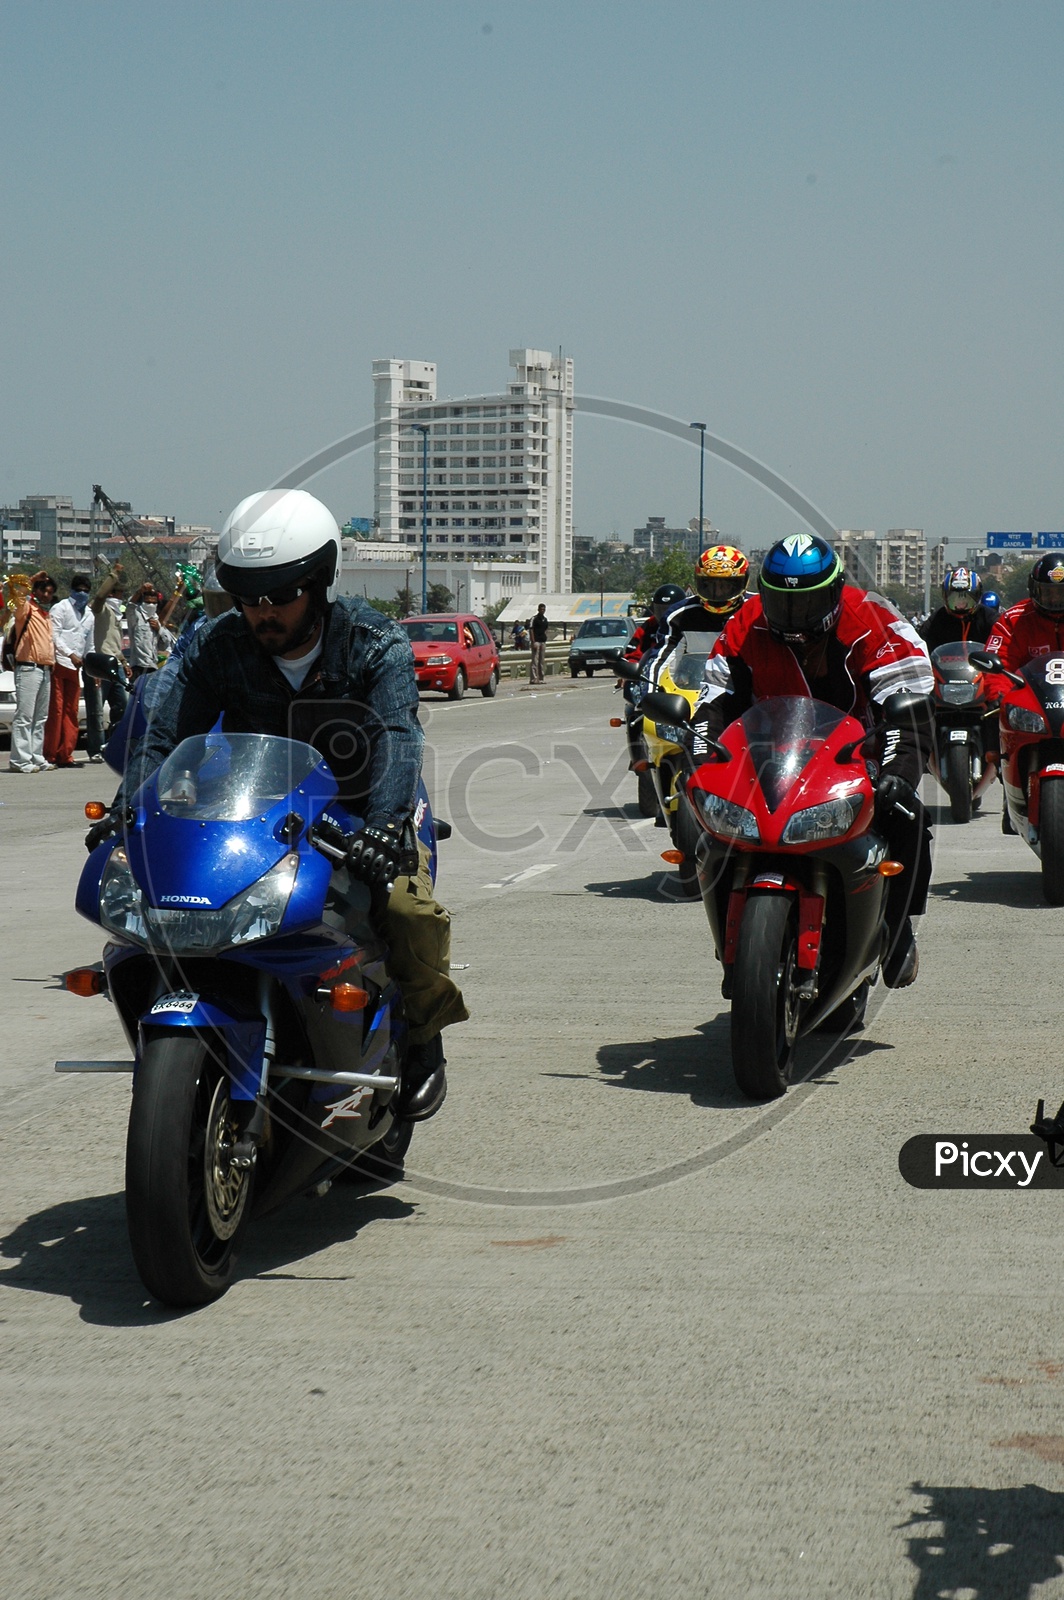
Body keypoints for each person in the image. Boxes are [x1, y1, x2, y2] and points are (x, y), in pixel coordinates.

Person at [90, 489, 467, 1120]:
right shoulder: (214, 644)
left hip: (359, 806)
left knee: (404, 908)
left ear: (320, 583)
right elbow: (164, 734)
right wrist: (133, 806)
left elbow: (399, 736)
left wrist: (384, 826)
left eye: (279, 596)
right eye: (247, 597)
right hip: (249, 810)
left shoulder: (375, 644)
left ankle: (423, 1037)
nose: (261, 612)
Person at [694, 534, 934, 988]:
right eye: (781, 602)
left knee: (909, 817)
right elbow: (716, 699)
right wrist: (702, 752)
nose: (792, 615)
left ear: (834, 591)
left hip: (856, 753)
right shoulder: (745, 623)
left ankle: (899, 928)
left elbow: (909, 701)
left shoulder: (873, 621)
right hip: (769, 754)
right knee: (713, 831)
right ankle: (736, 950)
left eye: (804, 603)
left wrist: (899, 770)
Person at [985, 552, 1064, 835]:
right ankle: (1009, 789)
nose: (1055, 600)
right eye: (1048, 593)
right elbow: (997, 662)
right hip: (1033, 703)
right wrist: (998, 694)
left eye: (1061, 593)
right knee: (991, 715)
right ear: (1034, 590)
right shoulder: (1014, 619)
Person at [919, 567, 1000, 807]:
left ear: (977, 597)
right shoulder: (937, 620)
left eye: (965, 597)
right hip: (946, 684)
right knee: (919, 712)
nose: (961, 603)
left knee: (1003, 712)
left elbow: (1003, 643)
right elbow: (920, 644)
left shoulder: (989, 619)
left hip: (981, 682)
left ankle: (1004, 768)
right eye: (956, 597)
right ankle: (919, 756)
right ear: (946, 598)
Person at [647, 545, 750, 689]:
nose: (718, 593)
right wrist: (651, 696)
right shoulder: (679, 615)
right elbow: (662, 662)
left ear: (743, 583)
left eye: (725, 586)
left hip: (751, 698)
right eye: (709, 585)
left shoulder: (758, 610)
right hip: (697, 695)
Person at [8, 571, 57, 774]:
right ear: (35, 591)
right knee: (24, 716)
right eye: (43, 590)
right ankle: (20, 759)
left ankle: (36, 756)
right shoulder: (26, 609)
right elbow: (14, 594)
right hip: (28, 667)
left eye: (50, 592)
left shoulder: (46, 614)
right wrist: (30, 581)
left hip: (45, 669)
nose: (47, 595)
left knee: (40, 717)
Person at [44, 574, 94, 768]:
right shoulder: (61, 608)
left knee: (71, 711)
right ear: (72, 590)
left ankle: (66, 753)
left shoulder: (90, 614)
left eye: (86, 591)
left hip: (76, 667)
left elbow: (90, 644)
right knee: (55, 711)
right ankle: (50, 754)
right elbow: (54, 636)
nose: (82, 594)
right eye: (79, 590)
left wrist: (93, 669)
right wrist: (70, 653)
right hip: (59, 663)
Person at [86, 563, 131, 762]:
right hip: (99, 664)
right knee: (96, 711)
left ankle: (116, 745)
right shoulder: (100, 610)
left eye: (120, 594)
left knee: (121, 707)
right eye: (116, 593)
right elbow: (100, 597)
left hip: (115, 665)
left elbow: (114, 643)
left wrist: (124, 662)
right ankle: (96, 749)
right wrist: (114, 575)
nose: (118, 598)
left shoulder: (115, 616)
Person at [623, 583, 687, 664]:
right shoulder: (649, 626)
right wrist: (630, 668)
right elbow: (633, 655)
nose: (664, 614)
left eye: (669, 610)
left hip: (685, 671)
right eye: (660, 609)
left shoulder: (691, 625)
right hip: (651, 671)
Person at [127, 582, 160, 679]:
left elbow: (166, 642)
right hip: (139, 667)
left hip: (153, 666)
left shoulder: (157, 619)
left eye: (154, 603)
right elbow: (130, 606)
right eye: (148, 602)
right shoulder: (136, 616)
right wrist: (140, 591)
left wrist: (159, 629)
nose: (151, 605)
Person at [528, 603, 549, 683]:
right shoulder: (534, 619)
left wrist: (545, 637)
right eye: (541, 609)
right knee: (535, 661)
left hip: (542, 641)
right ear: (538, 609)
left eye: (543, 609)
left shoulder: (545, 619)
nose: (542, 611)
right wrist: (533, 641)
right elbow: (531, 630)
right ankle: (533, 678)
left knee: (541, 661)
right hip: (536, 641)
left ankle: (541, 678)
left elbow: (546, 629)